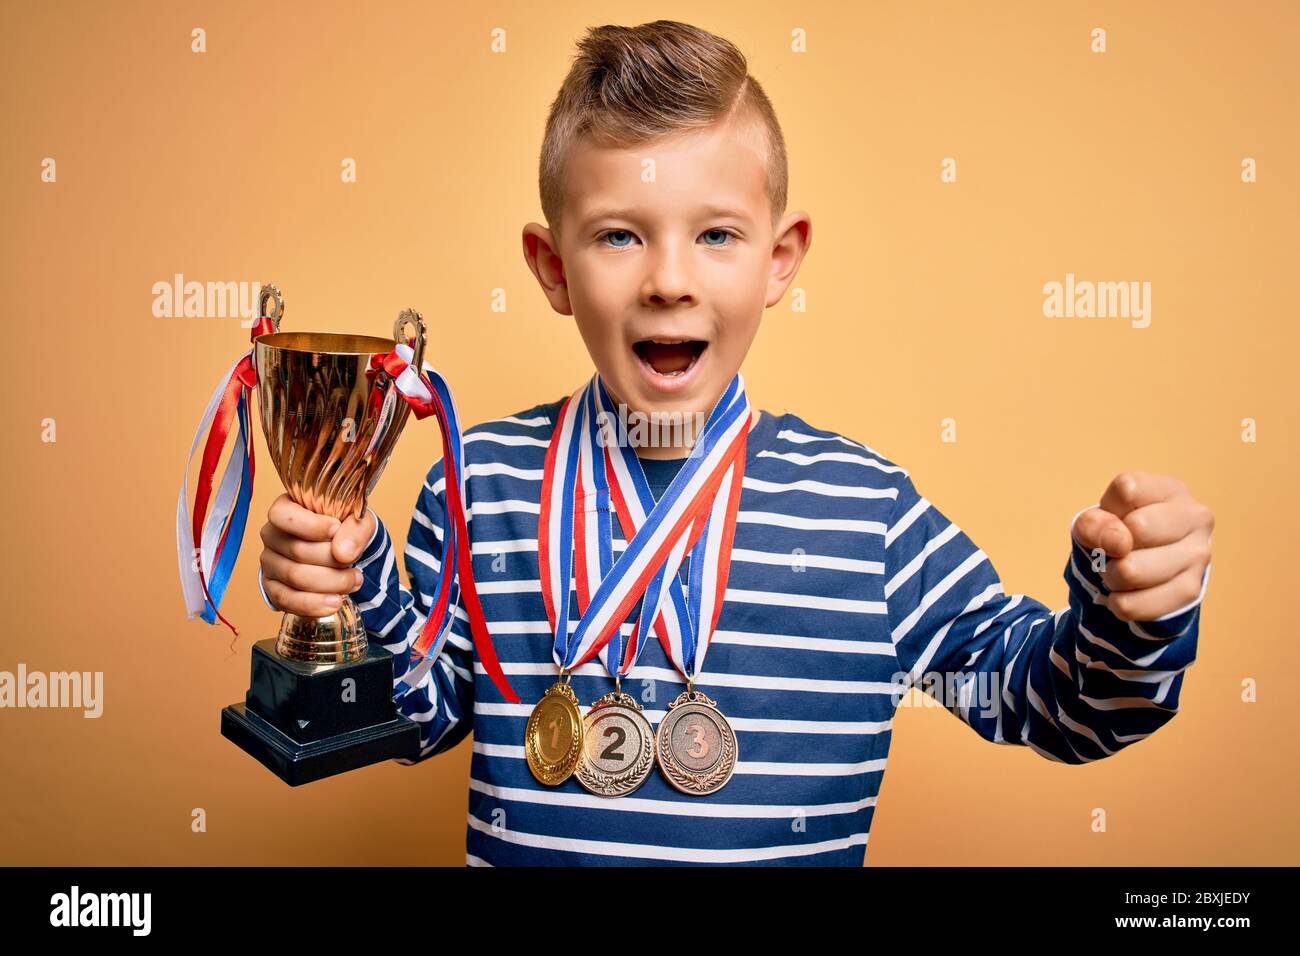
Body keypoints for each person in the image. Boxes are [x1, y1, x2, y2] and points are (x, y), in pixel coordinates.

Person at [256, 20, 1214, 866]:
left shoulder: (865, 511)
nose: (670, 279)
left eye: (716, 235)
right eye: (620, 237)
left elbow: (1050, 706)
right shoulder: (479, 482)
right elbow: (417, 715)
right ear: (552, 268)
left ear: (779, 261)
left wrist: (1129, 619)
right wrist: (347, 572)